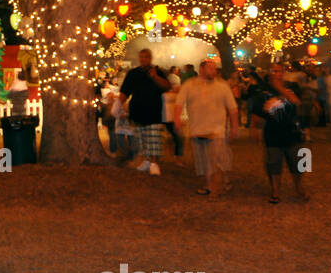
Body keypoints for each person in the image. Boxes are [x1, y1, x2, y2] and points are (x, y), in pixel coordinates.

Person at [176, 60, 239, 195]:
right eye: (210, 68)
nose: (214, 71)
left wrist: (234, 127)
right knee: (203, 162)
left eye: (214, 68)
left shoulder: (222, 87)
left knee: (216, 161)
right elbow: (179, 103)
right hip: (197, 129)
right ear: (201, 69)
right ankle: (211, 185)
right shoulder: (190, 85)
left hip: (217, 131)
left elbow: (233, 109)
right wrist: (177, 119)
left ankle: (215, 190)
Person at [250, 62, 308, 203]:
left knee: (299, 162)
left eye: (280, 71)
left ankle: (298, 187)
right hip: (273, 132)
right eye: (274, 71)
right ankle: (275, 191)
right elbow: (257, 112)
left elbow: (296, 102)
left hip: (293, 130)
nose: (277, 74)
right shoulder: (262, 90)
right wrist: (255, 129)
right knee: (273, 164)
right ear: (269, 72)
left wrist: (279, 88)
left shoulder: (292, 87)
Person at [118, 48, 171, 175]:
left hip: (153, 111)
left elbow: (167, 86)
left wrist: (155, 77)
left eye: (146, 57)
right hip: (137, 111)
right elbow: (125, 91)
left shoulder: (158, 71)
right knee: (140, 138)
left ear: (150, 58)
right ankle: (146, 161)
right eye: (141, 57)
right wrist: (118, 105)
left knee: (154, 139)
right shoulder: (132, 73)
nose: (143, 59)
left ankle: (154, 163)